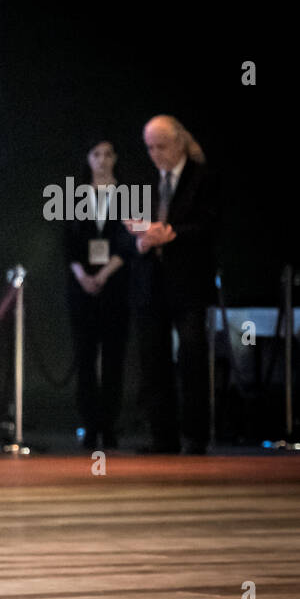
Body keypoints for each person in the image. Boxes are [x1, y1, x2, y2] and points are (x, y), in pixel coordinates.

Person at [123, 115, 222, 454]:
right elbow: (126, 236)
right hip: (151, 285)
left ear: (179, 142)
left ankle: (195, 436)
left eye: (161, 146)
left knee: (192, 358)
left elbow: (210, 226)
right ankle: (162, 436)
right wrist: (142, 241)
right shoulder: (144, 180)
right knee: (153, 361)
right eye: (149, 148)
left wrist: (171, 234)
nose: (155, 154)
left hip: (189, 284)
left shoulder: (203, 179)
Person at [65, 139, 130, 450]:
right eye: (96, 154)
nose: (102, 160)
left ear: (115, 158)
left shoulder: (129, 195)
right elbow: (67, 243)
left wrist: (104, 274)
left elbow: (128, 242)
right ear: (88, 159)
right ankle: (90, 424)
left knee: (114, 359)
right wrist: (83, 276)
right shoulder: (74, 195)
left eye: (108, 154)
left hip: (116, 287)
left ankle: (110, 424)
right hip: (81, 287)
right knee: (86, 358)